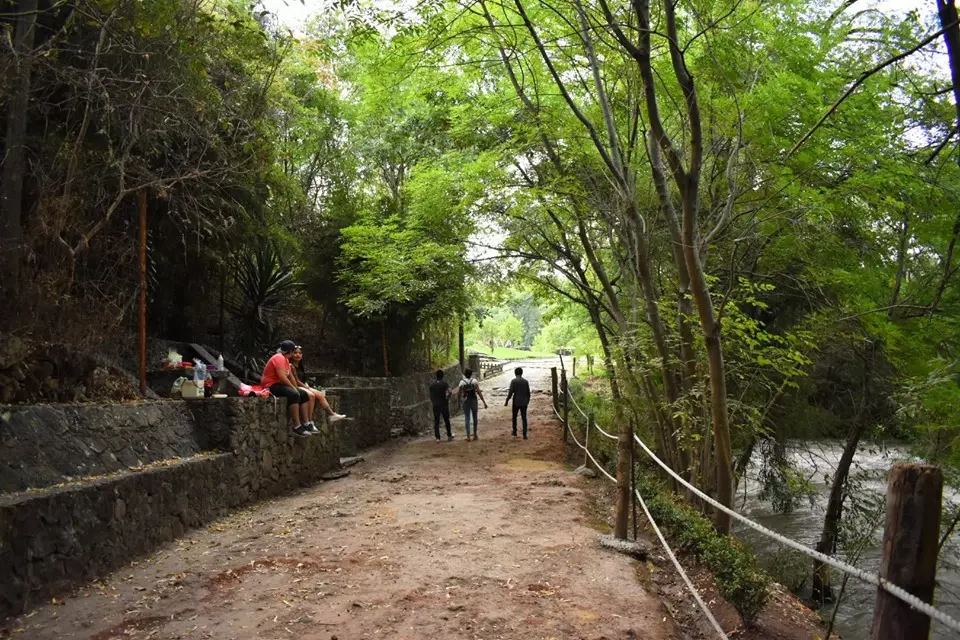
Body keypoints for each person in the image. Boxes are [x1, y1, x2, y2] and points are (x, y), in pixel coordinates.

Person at [261, 340, 312, 437]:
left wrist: (296, 387)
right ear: (291, 352)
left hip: (279, 384)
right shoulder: (279, 358)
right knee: (294, 394)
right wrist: (293, 388)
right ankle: (296, 426)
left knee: (303, 394)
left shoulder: (285, 360)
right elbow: (282, 377)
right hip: (271, 385)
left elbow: (290, 376)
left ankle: (306, 423)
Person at [289, 347, 347, 430]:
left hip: (303, 385)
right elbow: (296, 381)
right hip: (296, 386)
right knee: (311, 395)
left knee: (319, 394)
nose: (298, 355)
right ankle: (309, 422)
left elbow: (303, 379)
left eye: (300, 353)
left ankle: (332, 414)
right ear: (291, 354)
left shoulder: (300, 366)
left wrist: (307, 386)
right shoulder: (291, 366)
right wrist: (307, 387)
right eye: (295, 353)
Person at [456, 368, 487, 440]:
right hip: (473, 400)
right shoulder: (474, 381)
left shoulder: (462, 382)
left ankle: (468, 436)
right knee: (475, 417)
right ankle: (475, 435)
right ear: (471, 374)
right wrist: (484, 402)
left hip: (465, 401)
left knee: (467, 418)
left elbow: (459, 394)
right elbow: (479, 392)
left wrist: (458, 404)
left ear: (464, 374)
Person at [504, 366, 531, 439]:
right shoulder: (525, 382)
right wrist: (527, 401)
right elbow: (528, 393)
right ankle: (524, 435)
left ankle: (515, 431)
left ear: (515, 373)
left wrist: (507, 401)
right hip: (524, 402)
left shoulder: (513, 381)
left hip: (516, 401)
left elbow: (510, 392)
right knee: (524, 418)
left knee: (514, 417)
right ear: (522, 373)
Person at [429, 369, 454, 441]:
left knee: (436, 421)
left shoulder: (432, 385)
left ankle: (437, 438)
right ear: (443, 376)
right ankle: (449, 435)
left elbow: (431, 396)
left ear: (436, 376)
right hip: (444, 404)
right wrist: (447, 398)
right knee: (446, 420)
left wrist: (433, 402)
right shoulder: (444, 383)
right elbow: (450, 392)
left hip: (436, 405)